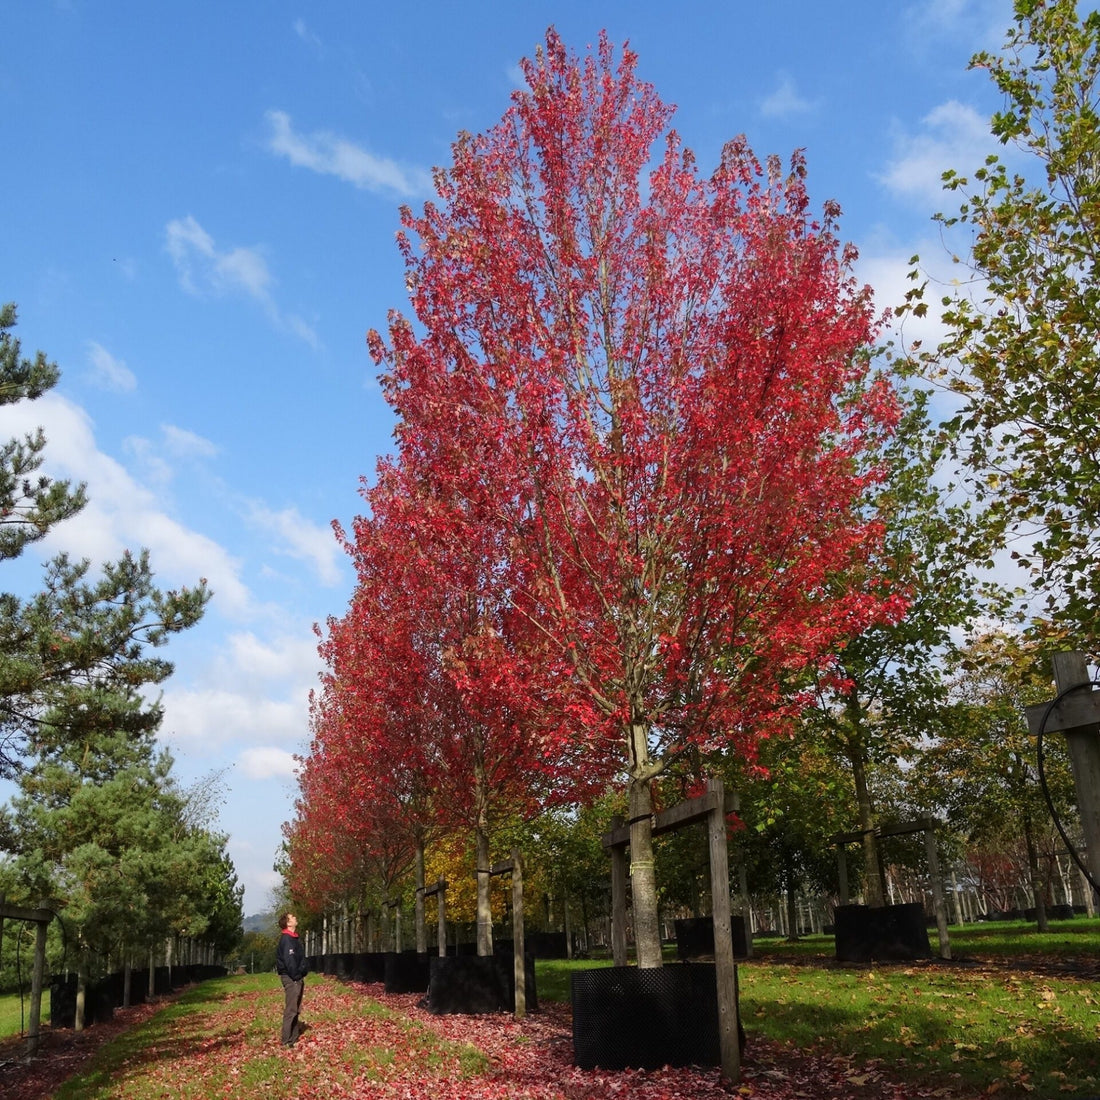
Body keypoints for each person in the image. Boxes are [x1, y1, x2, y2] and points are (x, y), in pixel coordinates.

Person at [275, 911, 309, 1046]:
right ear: (288, 923)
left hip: (296, 978)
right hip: (291, 978)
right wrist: (295, 977)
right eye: (292, 917)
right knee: (291, 1009)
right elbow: (290, 961)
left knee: (296, 1008)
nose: (295, 918)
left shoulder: (293, 938)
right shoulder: (287, 940)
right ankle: (286, 1040)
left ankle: (293, 1038)